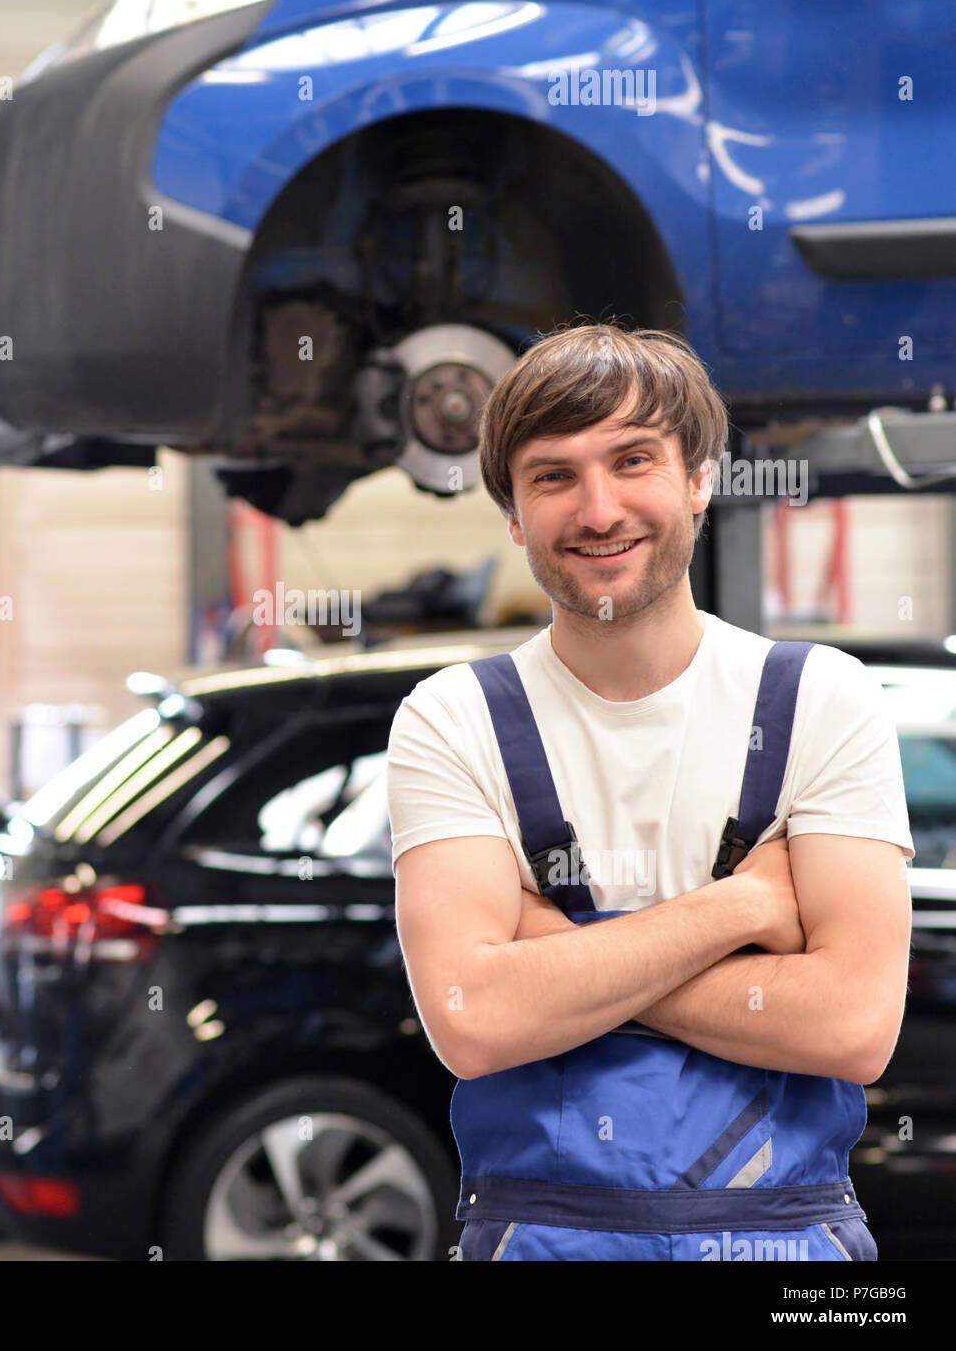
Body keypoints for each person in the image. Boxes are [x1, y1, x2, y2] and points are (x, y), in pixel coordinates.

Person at [388, 323, 914, 1262]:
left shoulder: (819, 699)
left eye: (633, 460)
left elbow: (852, 1026)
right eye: (552, 476)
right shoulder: (452, 719)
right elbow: (471, 1021)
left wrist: (556, 956)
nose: (598, 510)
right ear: (511, 514)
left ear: (700, 477)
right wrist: (744, 905)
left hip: (790, 1245)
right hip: (538, 1238)